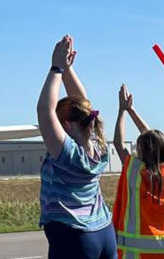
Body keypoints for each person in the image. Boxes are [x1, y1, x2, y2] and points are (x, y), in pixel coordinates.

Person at [38, 35, 114, 259]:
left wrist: (56, 68)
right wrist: (68, 69)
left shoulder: (69, 154)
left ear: (68, 126)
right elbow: (82, 103)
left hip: (74, 237)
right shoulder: (98, 145)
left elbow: (45, 111)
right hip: (103, 231)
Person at [111, 84, 164, 259]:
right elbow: (152, 139)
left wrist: (122, 111)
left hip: (141, 255)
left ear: (144, 151)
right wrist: (132, 110)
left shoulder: (138, 173)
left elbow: (119, 144)